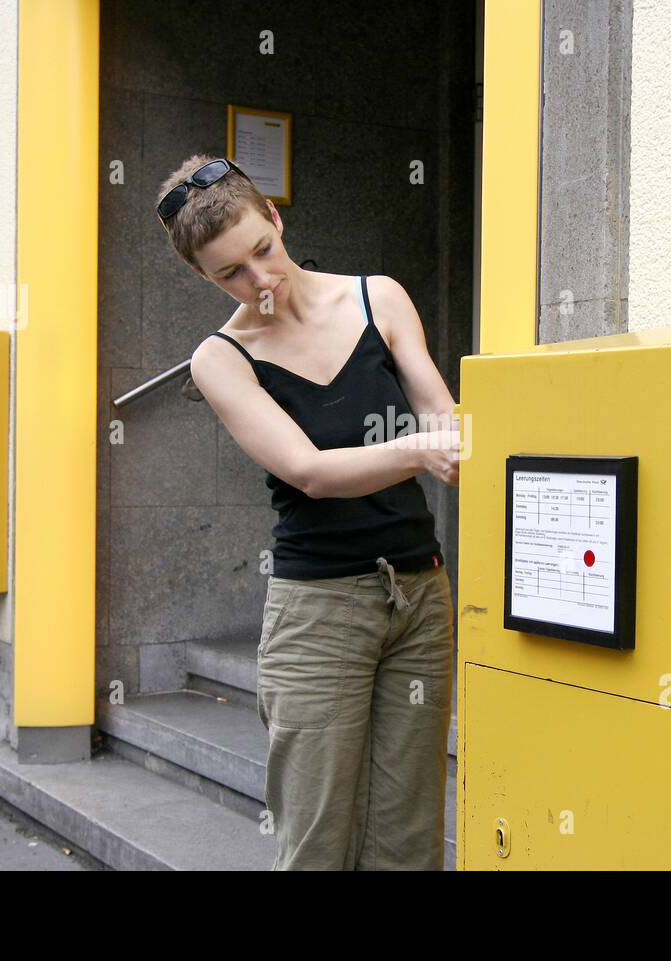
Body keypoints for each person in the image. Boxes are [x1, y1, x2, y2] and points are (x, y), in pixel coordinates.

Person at [154, 154, 462, 870]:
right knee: (317, 837)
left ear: (276, 218)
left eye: (263, 249)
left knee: (410, 836)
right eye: (231, 272)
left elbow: (443, 410)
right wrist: (423, 449)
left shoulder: (377, 299)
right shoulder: (222, 357)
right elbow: (310, 472)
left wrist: (446, 432)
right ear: (204, 278)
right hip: (319, 608)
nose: (260, 279)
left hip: (420, 592)